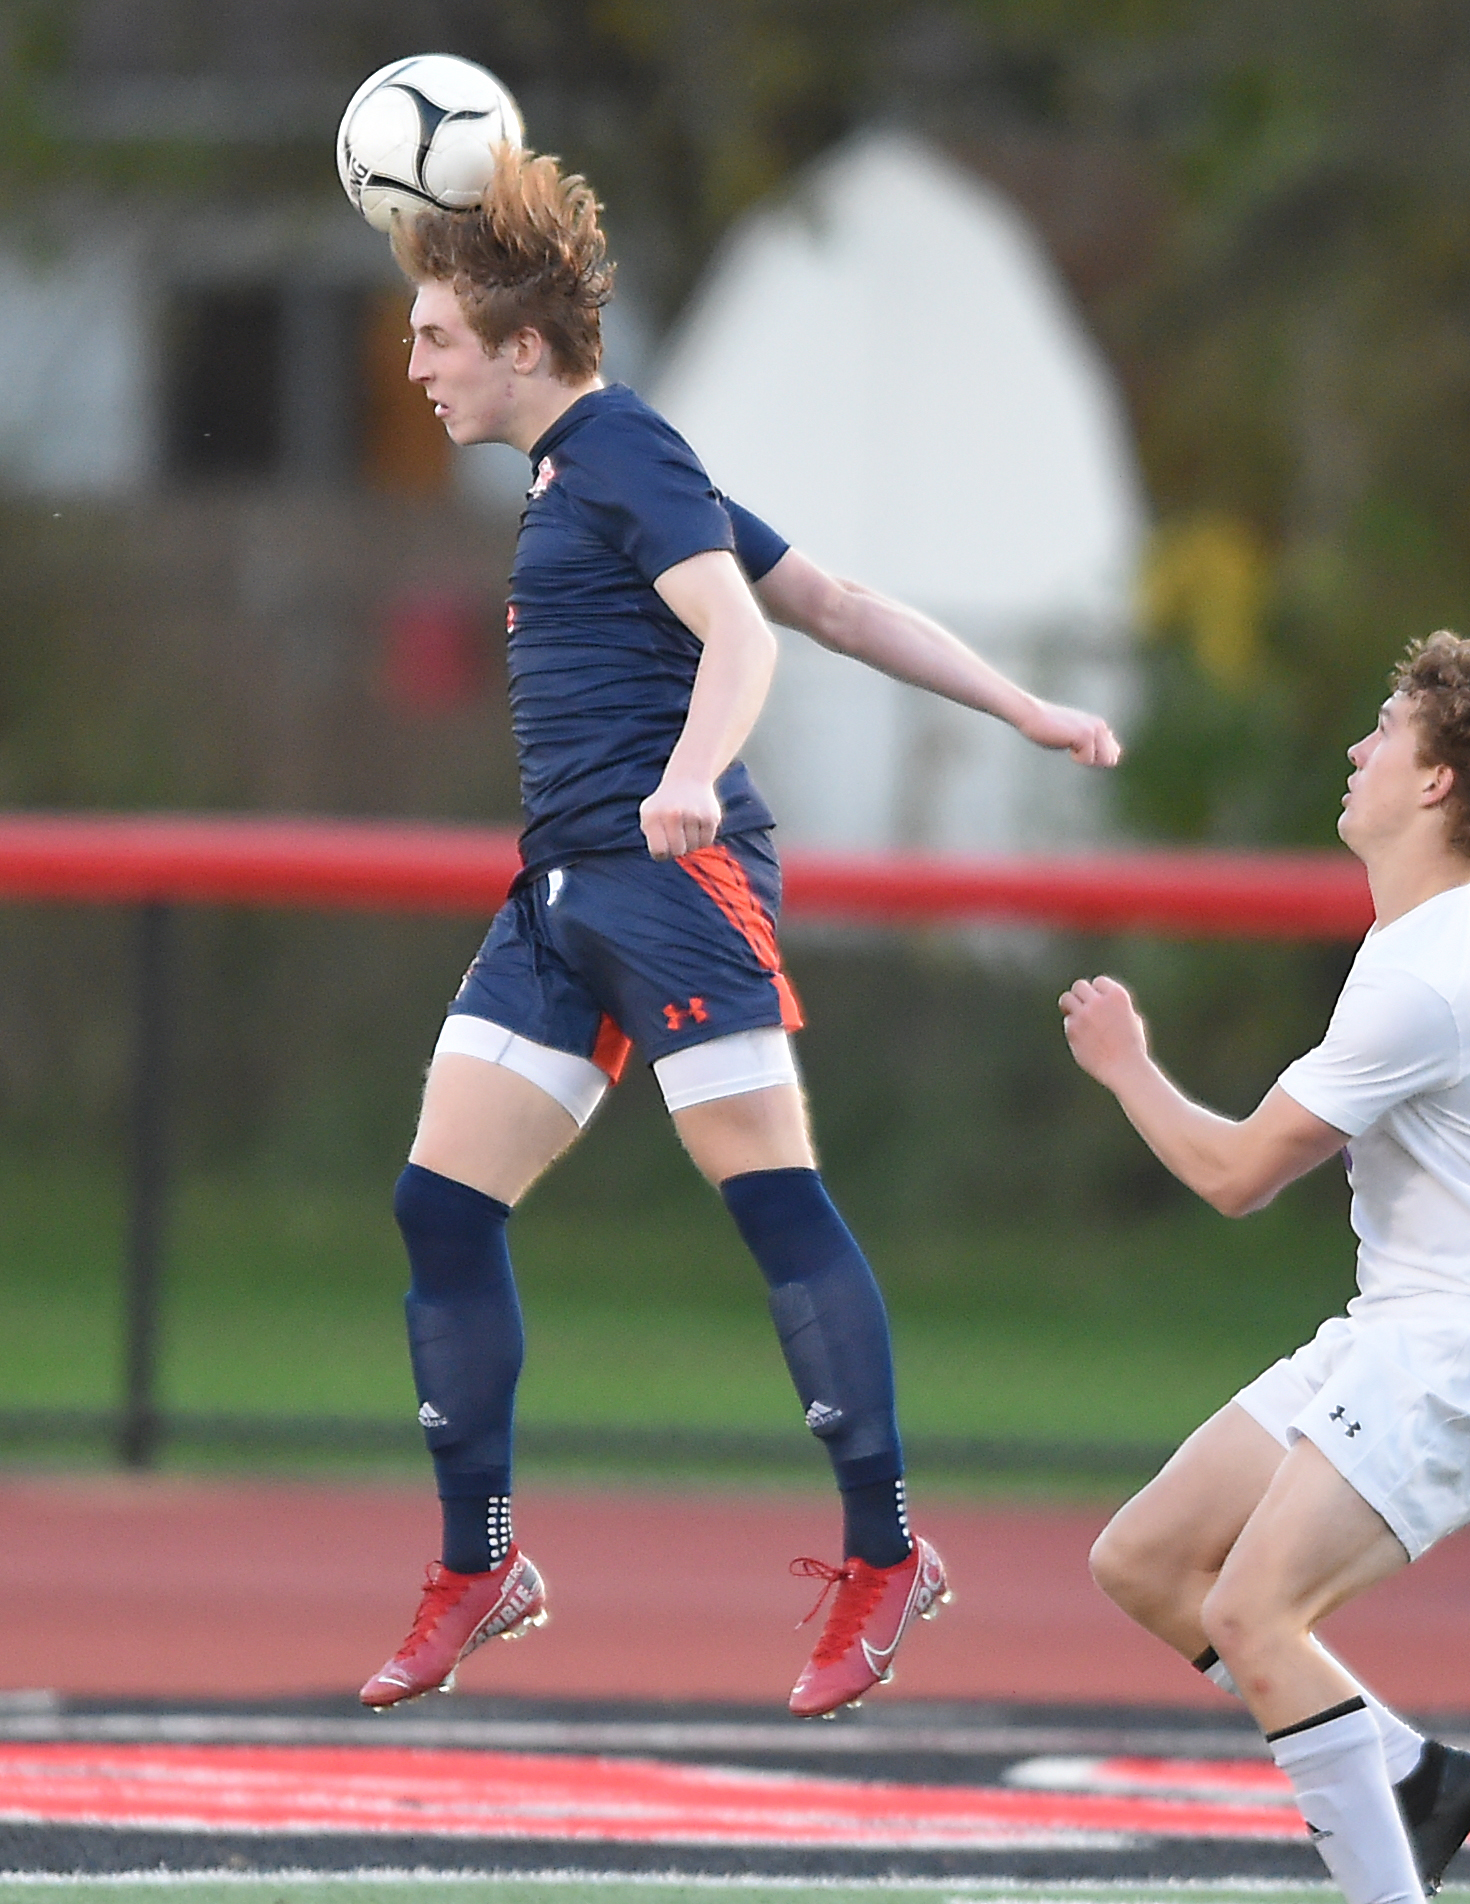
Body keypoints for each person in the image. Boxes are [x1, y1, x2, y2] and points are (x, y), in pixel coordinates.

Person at [357, 144, 1122, 1721]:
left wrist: (695, 775)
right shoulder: (585, 468)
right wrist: (1024, 703)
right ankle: (478, 1563)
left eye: (435, 334)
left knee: (770, 1201)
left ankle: (884, 1550)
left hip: (670, 877)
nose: (416, 361)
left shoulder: (622, 443)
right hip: (562, 889)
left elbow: (744, 636)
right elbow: (832, 600)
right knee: (439, 1206)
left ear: (518, 346)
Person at [1059, 630, 1470, 1901]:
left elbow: (1237, 1175)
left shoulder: (1423, 971)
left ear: (1438, 782)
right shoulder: (1423, 946)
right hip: (1390, 1321)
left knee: (1249, 1611)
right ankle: (1417, 1778)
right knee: (1147, 1559)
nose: (1357, 750)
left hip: (1442, 1342)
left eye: (1386, 730)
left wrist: (1125, 1062)